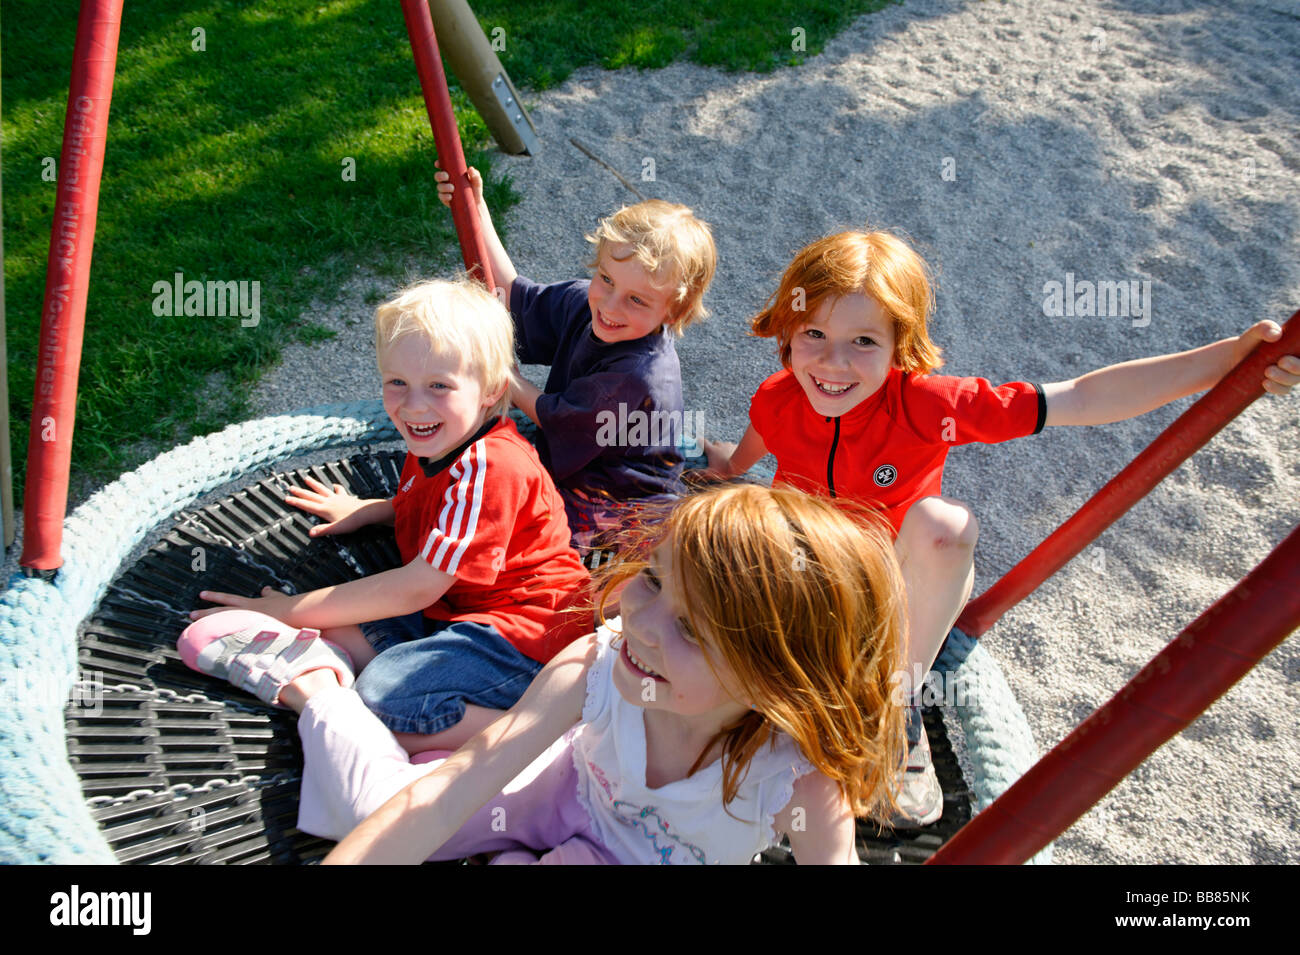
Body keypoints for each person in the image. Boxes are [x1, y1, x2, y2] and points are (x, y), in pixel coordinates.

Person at [703, 229, 1300, 827]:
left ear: (899, 347)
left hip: (894, 596)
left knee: (945, 524)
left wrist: (1226, 363)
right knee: (740, 536)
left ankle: (896, 703)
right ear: (786, 330)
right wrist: (722, 470)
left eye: (863, 341)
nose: (834, 362)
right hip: (810, 585)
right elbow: (748, 455)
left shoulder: (926, 406)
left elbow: (1083, 397)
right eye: (815, 335)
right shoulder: (778, 397)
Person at [177, 483, 911, 865]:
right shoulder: (598, 664)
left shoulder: (796, 778)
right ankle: (317, 683)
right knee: (369, 811)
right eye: (653, 579)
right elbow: (446, 796)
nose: (641, 621)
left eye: (690, 628)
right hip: (561, 790)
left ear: (775, 681)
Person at [189, 277, 591, 755]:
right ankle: (322, 686)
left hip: (528, 635)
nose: (413, 404)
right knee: (334, 630)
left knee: (383, 697)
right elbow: (440, 508)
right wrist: (371, 511)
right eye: (397, 382)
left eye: (439, 386)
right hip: (457, 612)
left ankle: (546, 735)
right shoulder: (442, 437)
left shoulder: (491, 464)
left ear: (491, 390)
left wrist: (285, 610)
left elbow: (417, 585)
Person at [436, 164, 717, 553]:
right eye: (606, 279)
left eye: (637, 300)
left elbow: (558, 417)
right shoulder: (585, 301)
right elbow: (513, 295)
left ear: (673, 313)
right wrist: (476, 208)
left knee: (522, 538)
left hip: (622, 496)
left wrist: (507, 378)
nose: (610, 305)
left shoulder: (640, 373)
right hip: (579, 464)